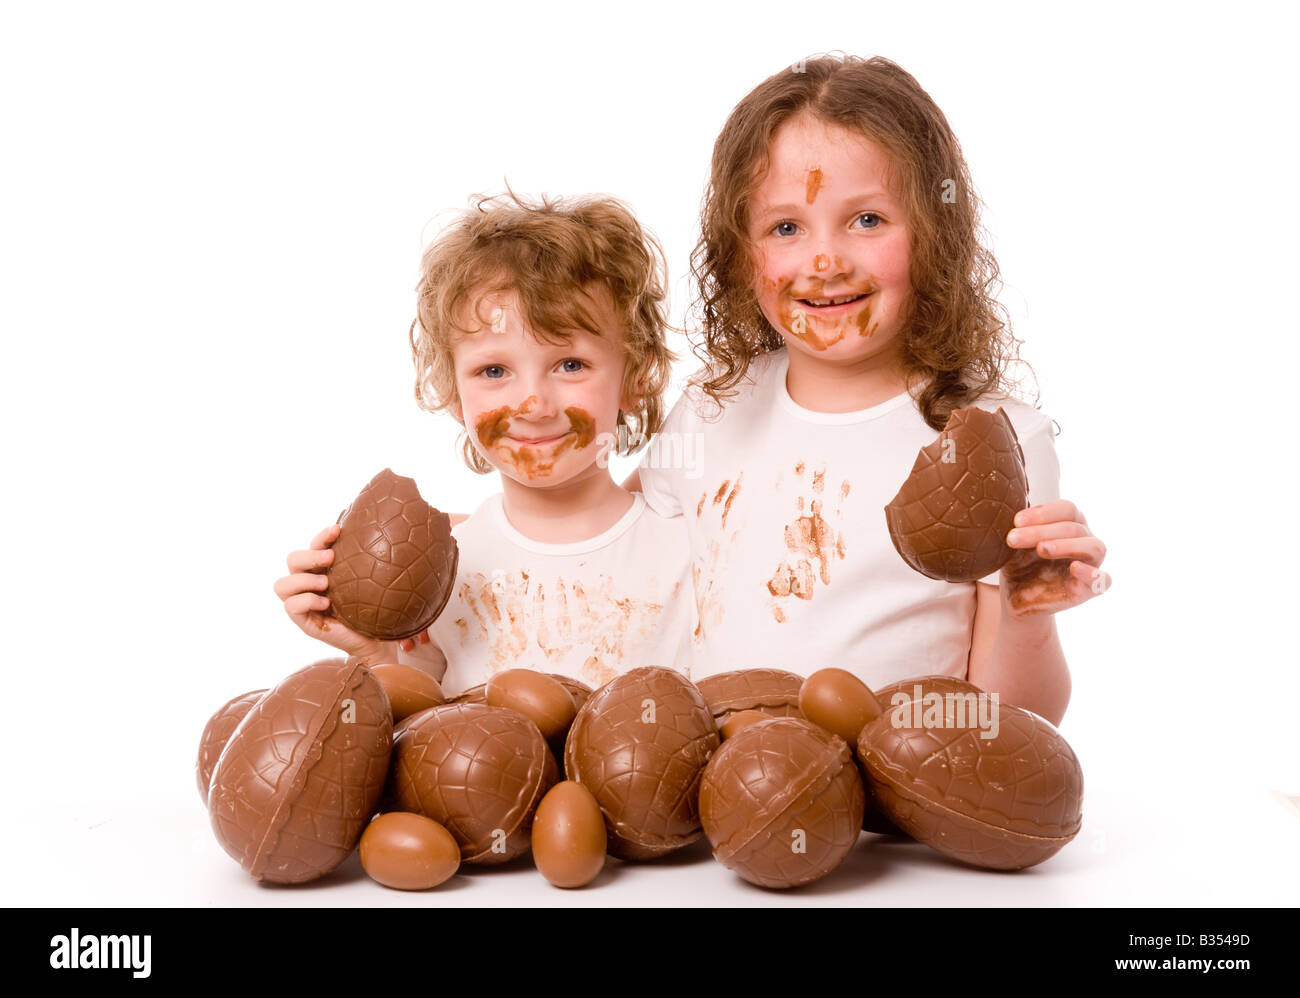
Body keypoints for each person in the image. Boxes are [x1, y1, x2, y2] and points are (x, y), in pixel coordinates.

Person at [627, 56, 1109, 725]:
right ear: (741, 254)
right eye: (786, 228)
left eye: (868, 221)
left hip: (892, 818)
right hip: (720, 804)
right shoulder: (709, 412)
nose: (825, 262)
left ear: (935, 233)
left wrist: (1028, 617)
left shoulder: (996, 440)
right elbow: (607, 559)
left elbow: (1014, 723)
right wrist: (477, 546)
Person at [275, 192, 694, 695]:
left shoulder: (688, 548)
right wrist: (377, 651)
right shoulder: (438, 578)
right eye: (494, 371)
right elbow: (424, 730)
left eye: (570, 365)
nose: (533, 403)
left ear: (636, 375)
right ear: (453, 393)